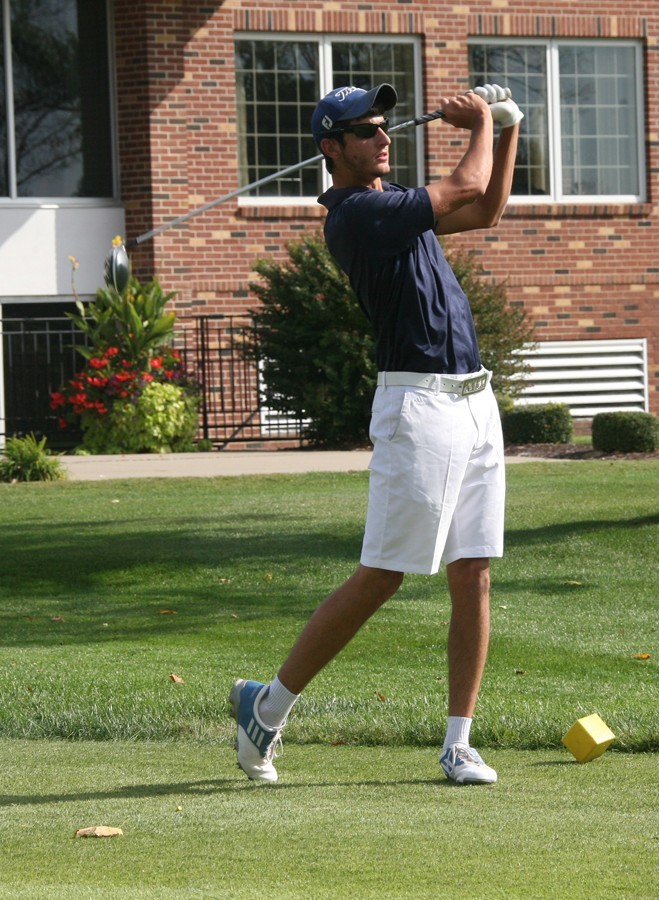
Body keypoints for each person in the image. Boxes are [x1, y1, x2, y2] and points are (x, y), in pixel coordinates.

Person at [229, 81, 523, 785]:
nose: (382, 137)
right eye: (365, 130)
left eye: (383, 125)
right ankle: (266, 708)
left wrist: (507, 127)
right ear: (331, 149)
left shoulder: (392, 204)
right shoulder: (359, 214)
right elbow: (464, 184)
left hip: (474, 399)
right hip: (417, 405)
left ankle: (458, 744)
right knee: (384, 573)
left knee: (474, 571)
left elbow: (485, 209)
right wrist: (479, 124)